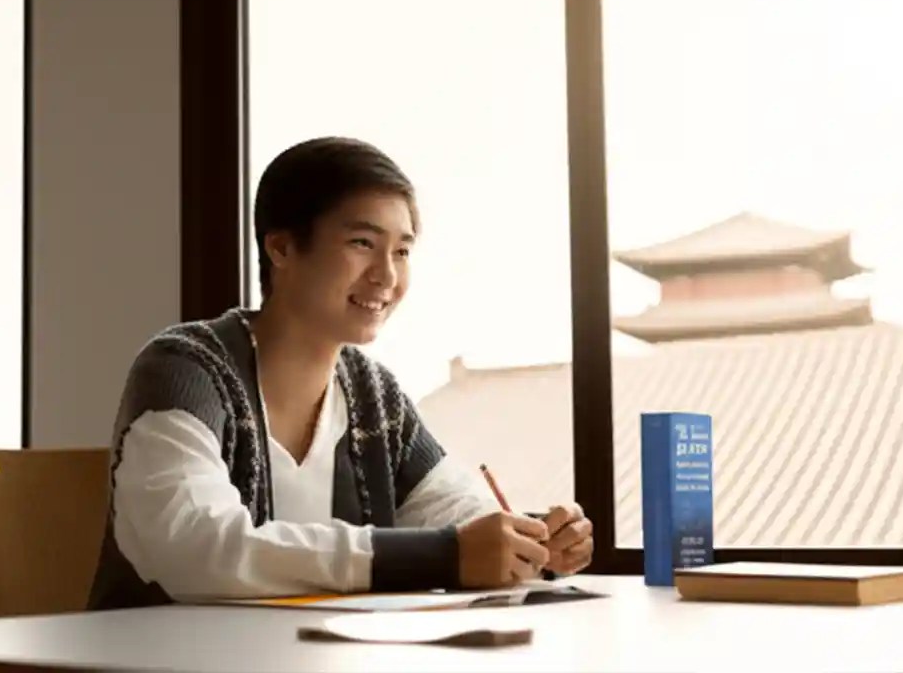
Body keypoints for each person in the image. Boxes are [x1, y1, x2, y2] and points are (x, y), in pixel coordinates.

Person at [88, 136, 593, 608]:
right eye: (361, 243)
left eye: (401, 251)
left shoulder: (373, 394)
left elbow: (453, 516)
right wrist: (445, 555)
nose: (387, 276)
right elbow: (195, 547)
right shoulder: (183, 369)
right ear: (281, 248)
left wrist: (529, 540)